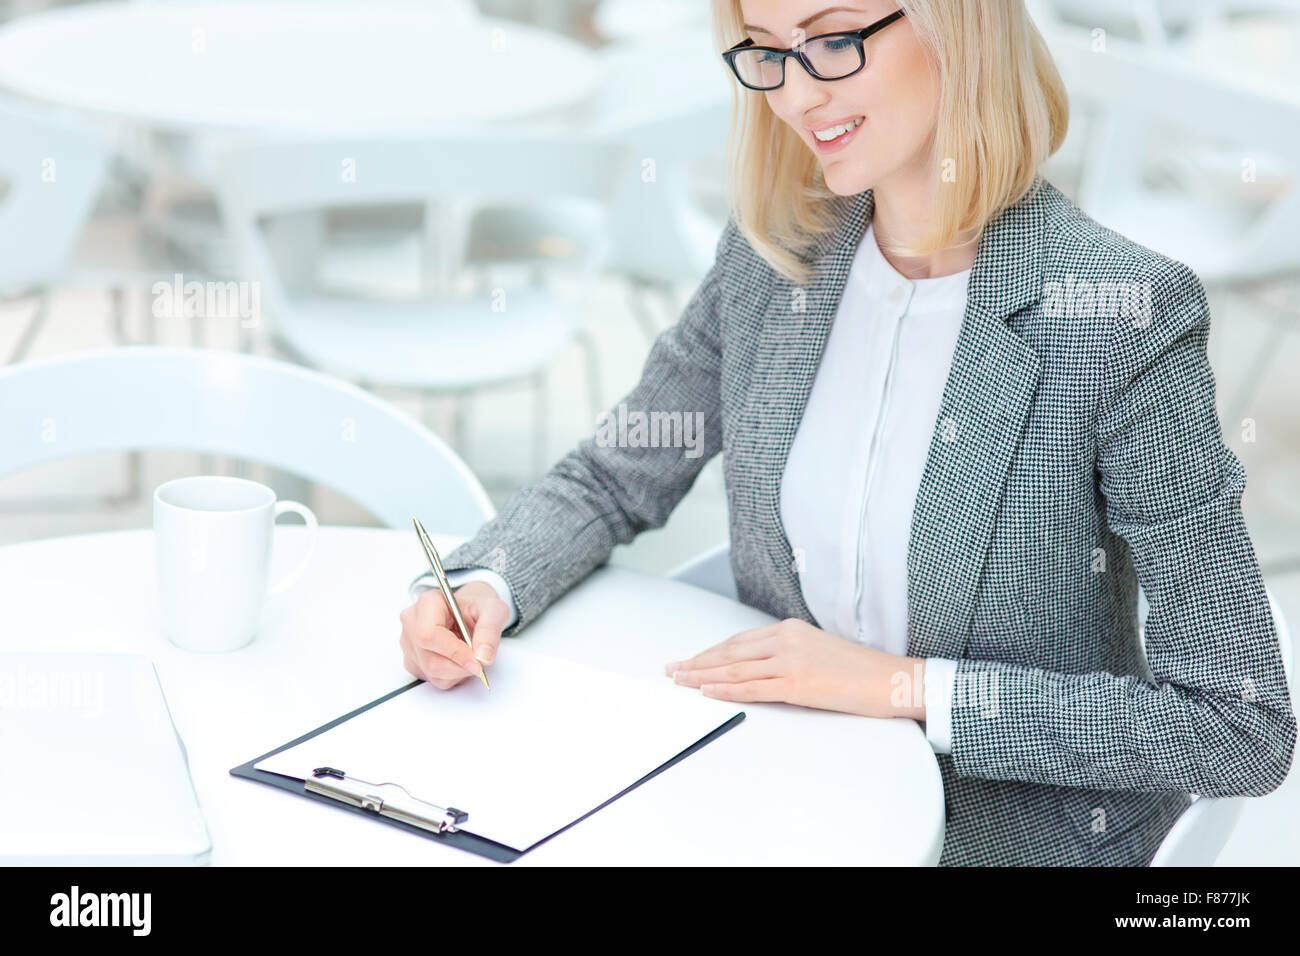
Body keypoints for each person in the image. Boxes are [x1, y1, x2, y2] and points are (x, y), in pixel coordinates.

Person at [398, 0, 1296, 865]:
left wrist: (898, 689)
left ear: (957, 23)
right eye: (767, 50)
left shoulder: (1119, 317)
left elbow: (1239, 723)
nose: (794, 94)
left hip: (998, 843)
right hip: (777, 799)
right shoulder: (773, 258)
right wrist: (488, 580)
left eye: (832, 42)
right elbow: (613, 476)